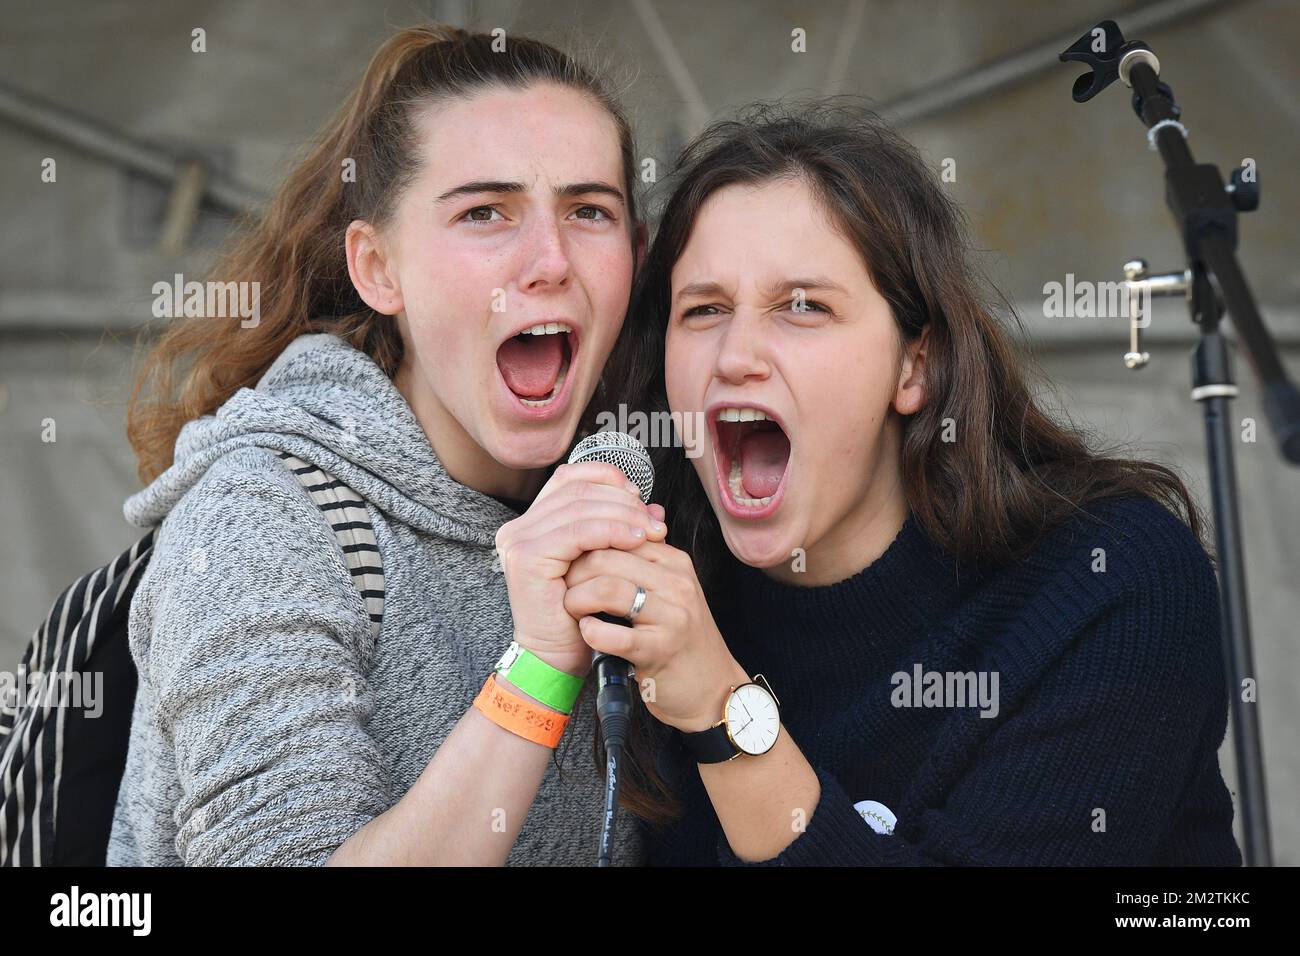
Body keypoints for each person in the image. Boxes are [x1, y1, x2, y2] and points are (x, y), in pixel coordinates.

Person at [569, 102, 1243, 865]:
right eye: (704, 309)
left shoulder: (1112, 581)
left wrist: (725, 713)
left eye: (803, 306)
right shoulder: (665, 591)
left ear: (914, 366)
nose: (735, 356)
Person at [109, 24, 671, 866]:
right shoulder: (263, 516)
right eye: (486, 212)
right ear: (378, 268)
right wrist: (540, 670)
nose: (552, 260)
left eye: (589, 211)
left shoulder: (637, 498)